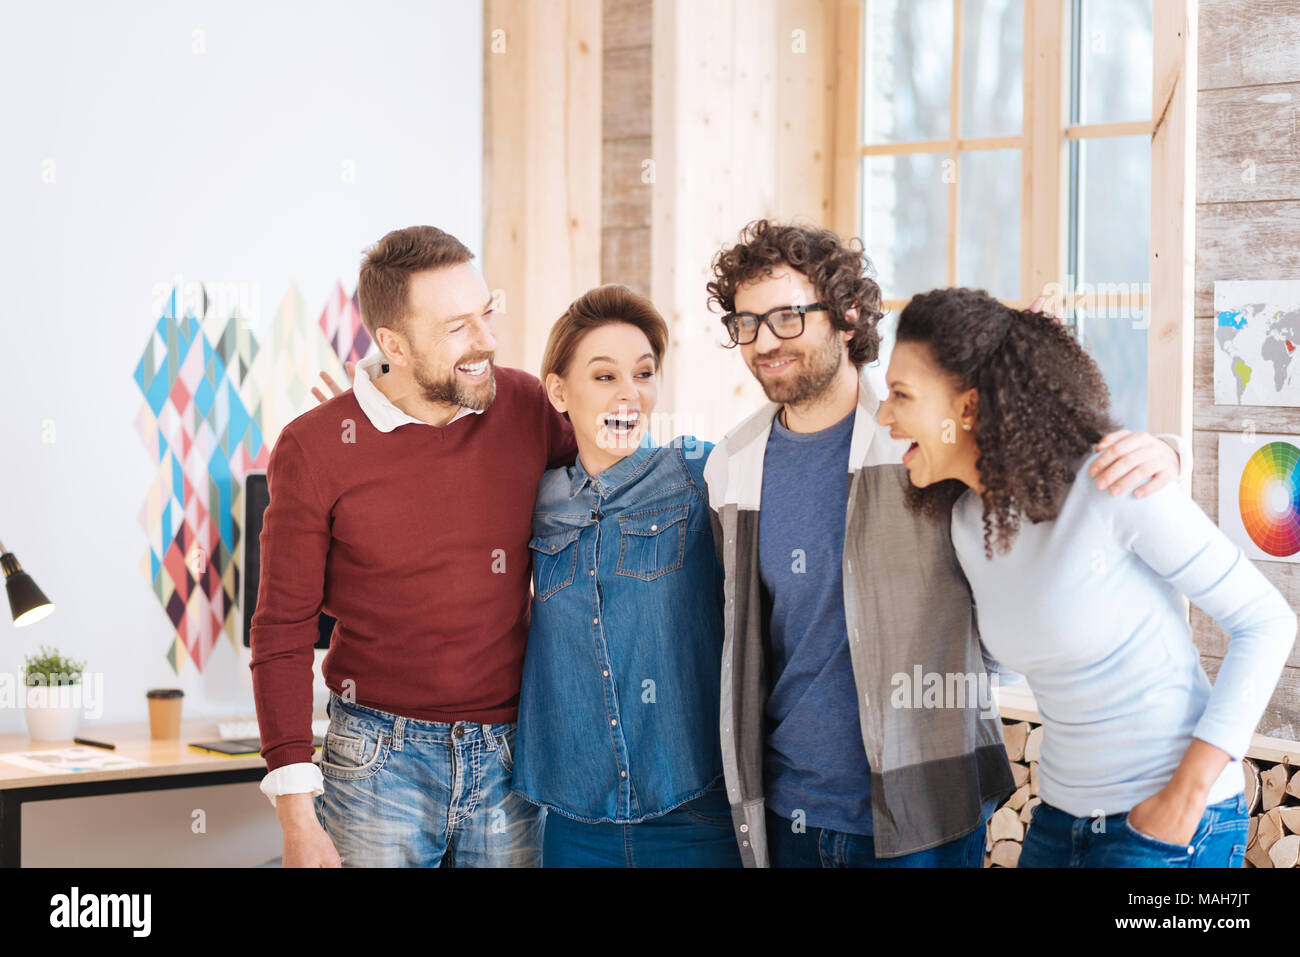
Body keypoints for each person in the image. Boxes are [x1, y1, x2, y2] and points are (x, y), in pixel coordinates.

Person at [703, 219, 1188, 867]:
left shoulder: (926, 442)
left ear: (847, 315)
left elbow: (1059, 465)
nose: (765, 340)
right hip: (786, 811)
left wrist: (1168, 451)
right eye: (746, 322)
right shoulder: (731, 465)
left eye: (788, 316)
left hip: (924, 810)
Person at [877, 286, 1297, 867]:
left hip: (1168, 826)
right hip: (1056, 821)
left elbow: (1267, 621)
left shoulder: (1113, 482)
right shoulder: (969, 523)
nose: (884, 414)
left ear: (969, 408)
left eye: (900, 394)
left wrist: (1183, 799)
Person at [250, 225, 577, 867]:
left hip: (513, 760)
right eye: (457, 328)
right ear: (393, 344)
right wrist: (296, 814)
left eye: (485, 315)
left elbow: (608, 478)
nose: (485, 342)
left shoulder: (526, 407)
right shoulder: (315, 446)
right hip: (376, 762)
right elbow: (282, 629)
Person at [510, 285, 741, 867]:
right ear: (559, 391)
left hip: (694, 808)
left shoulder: (697, 475)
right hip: (574, 820)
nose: (630, 394)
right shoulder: (536, 500)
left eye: (643, 373)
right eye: (605, 376)